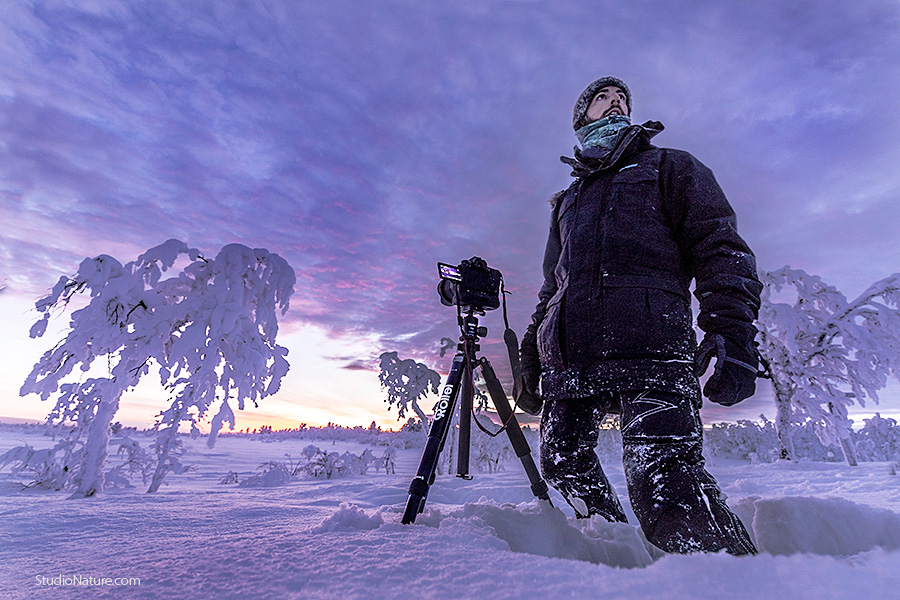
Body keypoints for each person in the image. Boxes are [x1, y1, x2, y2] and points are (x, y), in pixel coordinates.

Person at [518, 76, 761, 555]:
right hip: (572, 362)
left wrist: (731, 329)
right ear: (580, 118)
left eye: (622, 98)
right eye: (603, 98)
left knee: (666, 481)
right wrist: (532, 352)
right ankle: (621, 554)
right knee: (564, 464)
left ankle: (729, 582)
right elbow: (554, 286)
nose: (616, 102)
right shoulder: (567, 202)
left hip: (651, 347)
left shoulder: (670, 166)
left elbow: (720, 248)